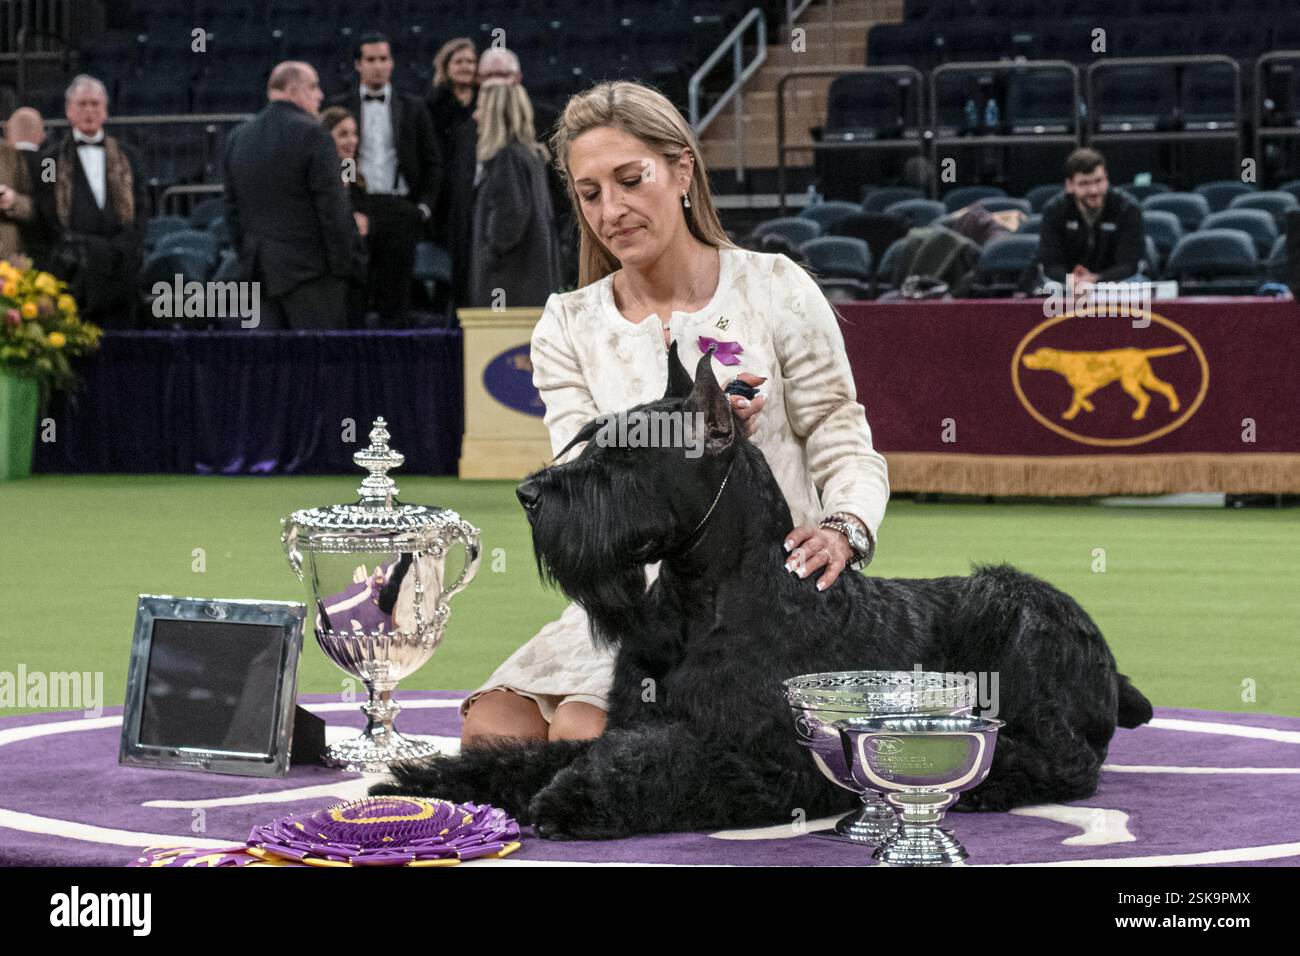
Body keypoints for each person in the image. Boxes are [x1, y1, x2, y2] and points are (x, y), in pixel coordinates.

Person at [459, 80, 890, 745]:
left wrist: (845, 528)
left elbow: (841, 435)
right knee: (491, 732)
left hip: (764, 603)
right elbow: (586, 484)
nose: (612, 210)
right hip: (638, 609)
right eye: (591, 193)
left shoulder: (776, 285)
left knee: (584, 733)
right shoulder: (567, 325)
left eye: (632, 180)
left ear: (682, 168)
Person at [222, 62, 355, 330]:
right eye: (315, 87)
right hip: (311, 277)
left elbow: (231, 211)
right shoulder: (315, 134)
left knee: (269, 368)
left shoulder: (238, 137)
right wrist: (343, 268)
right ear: (295, 90)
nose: (320, 96)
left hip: (258, 273)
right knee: (316, 367)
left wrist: (250, 256)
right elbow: (332, 210)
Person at [326, 31, 440, 326]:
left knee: (398, 296)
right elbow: (341, 162)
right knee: (355, 294)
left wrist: (422, 209)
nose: (378, 65)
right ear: (358, 65)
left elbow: (432, 162)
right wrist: (350, 205)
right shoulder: (341, 106)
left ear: (392, 63)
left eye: (384, 59)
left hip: (400, 209)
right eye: (371, 59)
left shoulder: (413, 107)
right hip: (358, 208)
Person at [41, 75, 146, 328]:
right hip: (73, 276)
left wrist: (122, 248)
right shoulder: (49, 160)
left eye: (95, 104)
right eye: (83, 104)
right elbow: (46, 211)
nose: (89, 110)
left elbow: (141, 211)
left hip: (119, 275)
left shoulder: (129, 156)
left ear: (106, 111)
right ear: (69, 110)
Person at [468, 80, 559, 307]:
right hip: (531, 283)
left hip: (509, 284)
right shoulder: (530, 155)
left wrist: (487, 256)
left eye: (480, 108)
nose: (475, 116)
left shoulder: (507, 158)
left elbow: (510, 217)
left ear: (494, 113)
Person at [1035, 147, 1147, 285]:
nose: (1093, 190)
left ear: (1107, 177)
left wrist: (1095, 279)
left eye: (1098, 181)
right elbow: (1049, 263)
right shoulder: (1054, 210)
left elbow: (1130, 264)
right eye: (1084, 183)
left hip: (1116, 282)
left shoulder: (1128, 208)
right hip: (1068, 283)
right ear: (1070, 185)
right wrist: (1073, 280)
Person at [426, 37, 478, 306]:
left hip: (479, 195)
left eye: (470, 61)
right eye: (459, 61)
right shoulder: (432, 107)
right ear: (446, 67)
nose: (466, 66)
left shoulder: (486, 103)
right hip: (447, 199)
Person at [320, 105, 371, 327]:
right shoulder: (318, 177)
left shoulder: (351, 171)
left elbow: (355, 207)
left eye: (353, 133)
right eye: (343, 134)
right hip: (329, 274)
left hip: (356, 271)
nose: (352, 140)